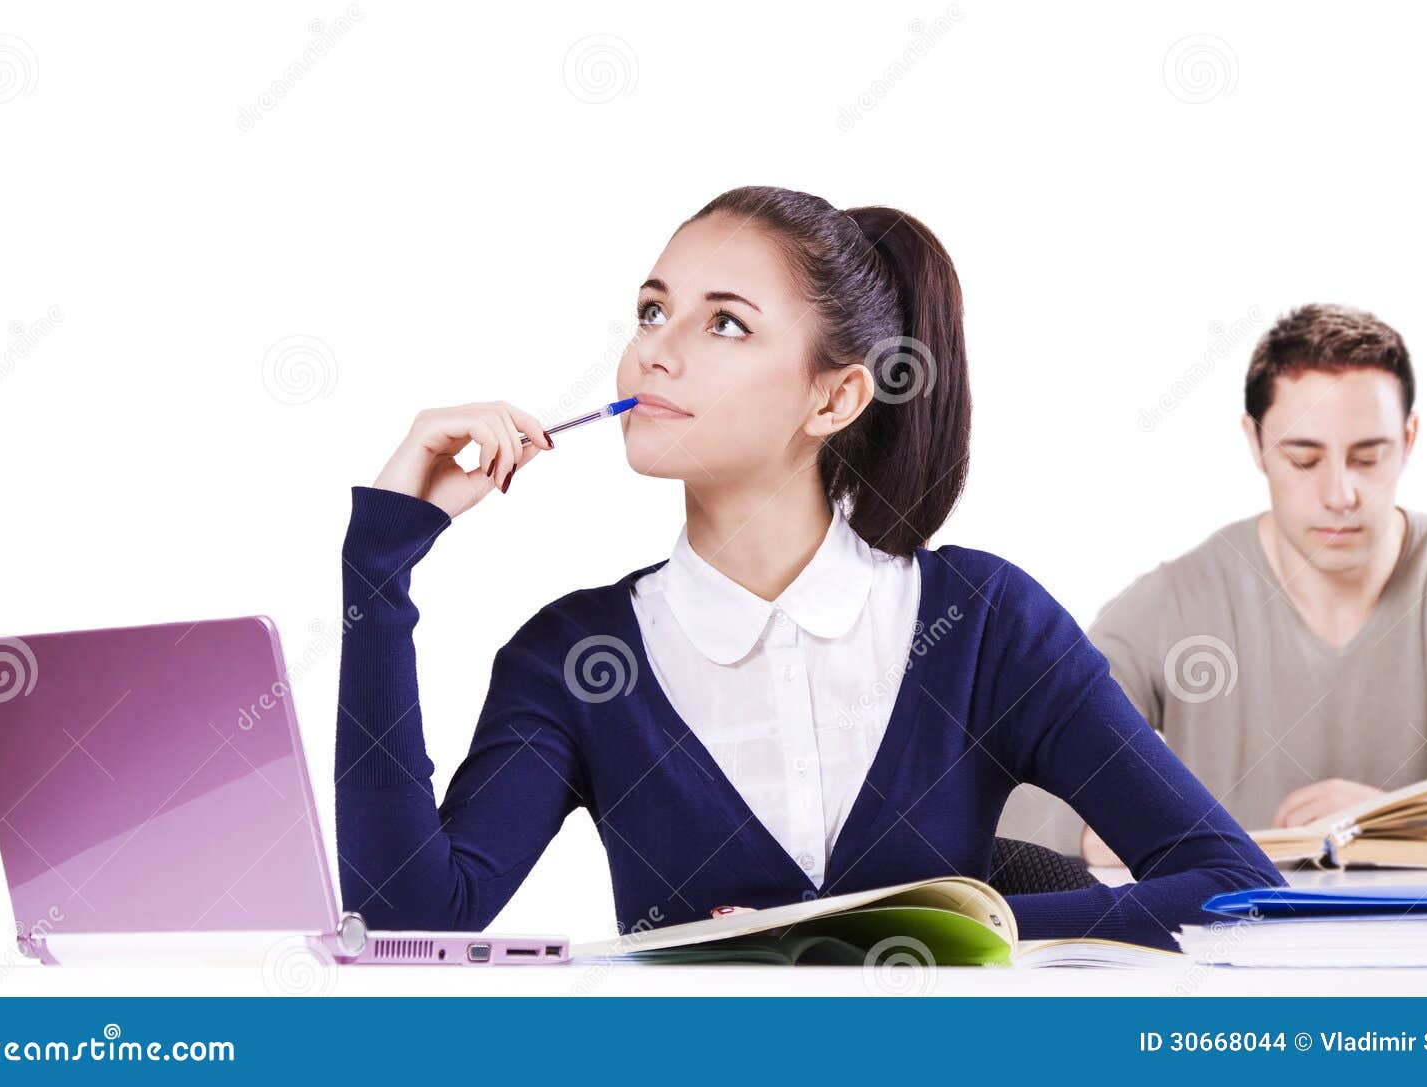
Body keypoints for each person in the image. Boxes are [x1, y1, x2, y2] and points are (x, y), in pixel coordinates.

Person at [334, 185, 1282, 951]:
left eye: (725, 324)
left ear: (834, 397)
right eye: (652, 311)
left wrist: (905, 929)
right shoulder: (572, 658)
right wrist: (380, 567)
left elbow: (1235, 889)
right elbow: (405, 925)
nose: (652, 352)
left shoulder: (988, 623)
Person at [1001, 304, 1427, 865]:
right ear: (1256, 443)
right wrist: (1107, 832)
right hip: (1224, 942)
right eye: (1304, 459)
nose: (1340, 494)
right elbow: (1007, 789)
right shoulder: (1169, 606)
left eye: (1368, 456)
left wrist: (1417, 818)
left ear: (1409, 440)